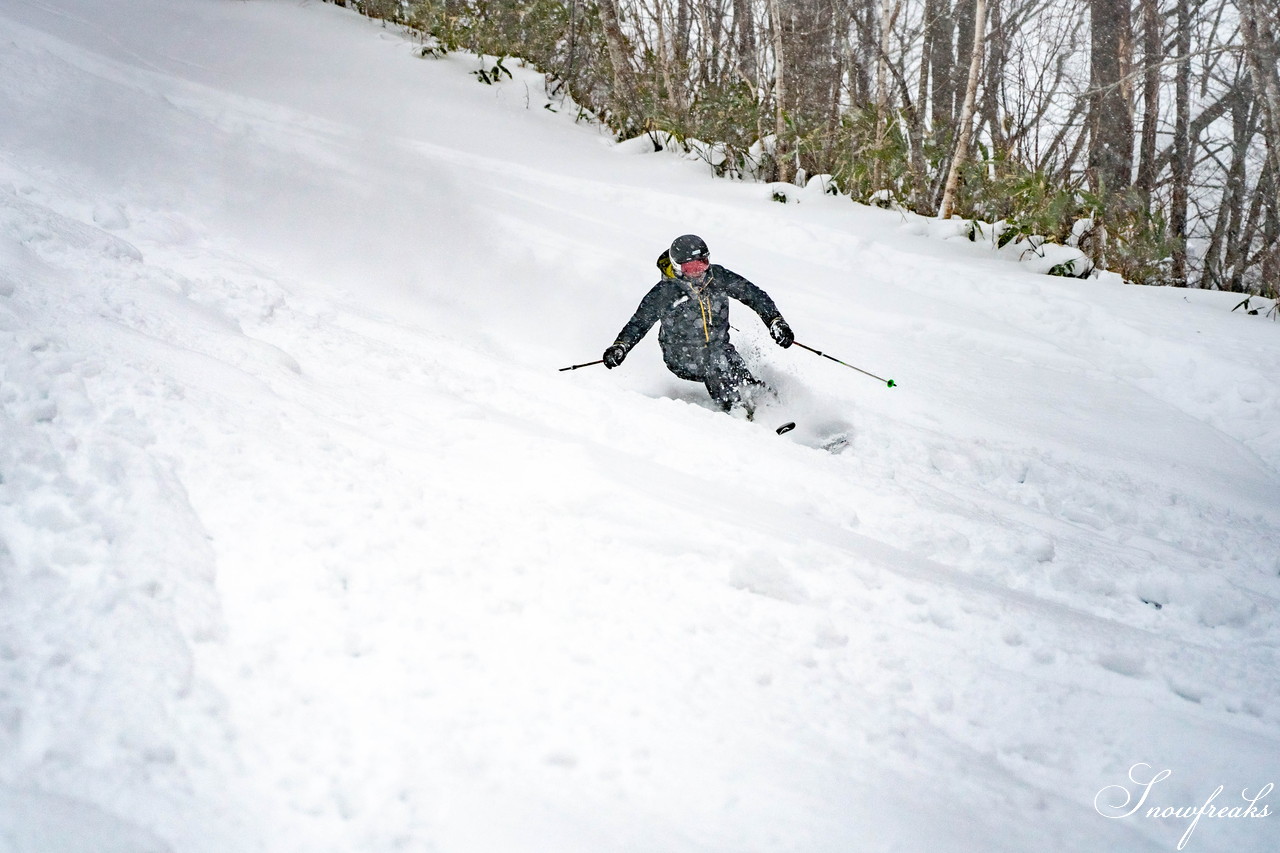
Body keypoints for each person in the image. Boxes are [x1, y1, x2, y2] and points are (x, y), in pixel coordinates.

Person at [603, 234, 794, 414]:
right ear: (678, 267)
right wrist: (621, 346)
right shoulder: (664, 292)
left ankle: (770, 408)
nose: (697, 273)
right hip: (681, 356)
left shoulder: (718, 277)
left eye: (701, 264)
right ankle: (738, 411)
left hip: (720, 348)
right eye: (690, 268)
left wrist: (775, 321)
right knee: (714, 364)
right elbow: (639, 323)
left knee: (733, 365)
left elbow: (754, 295)